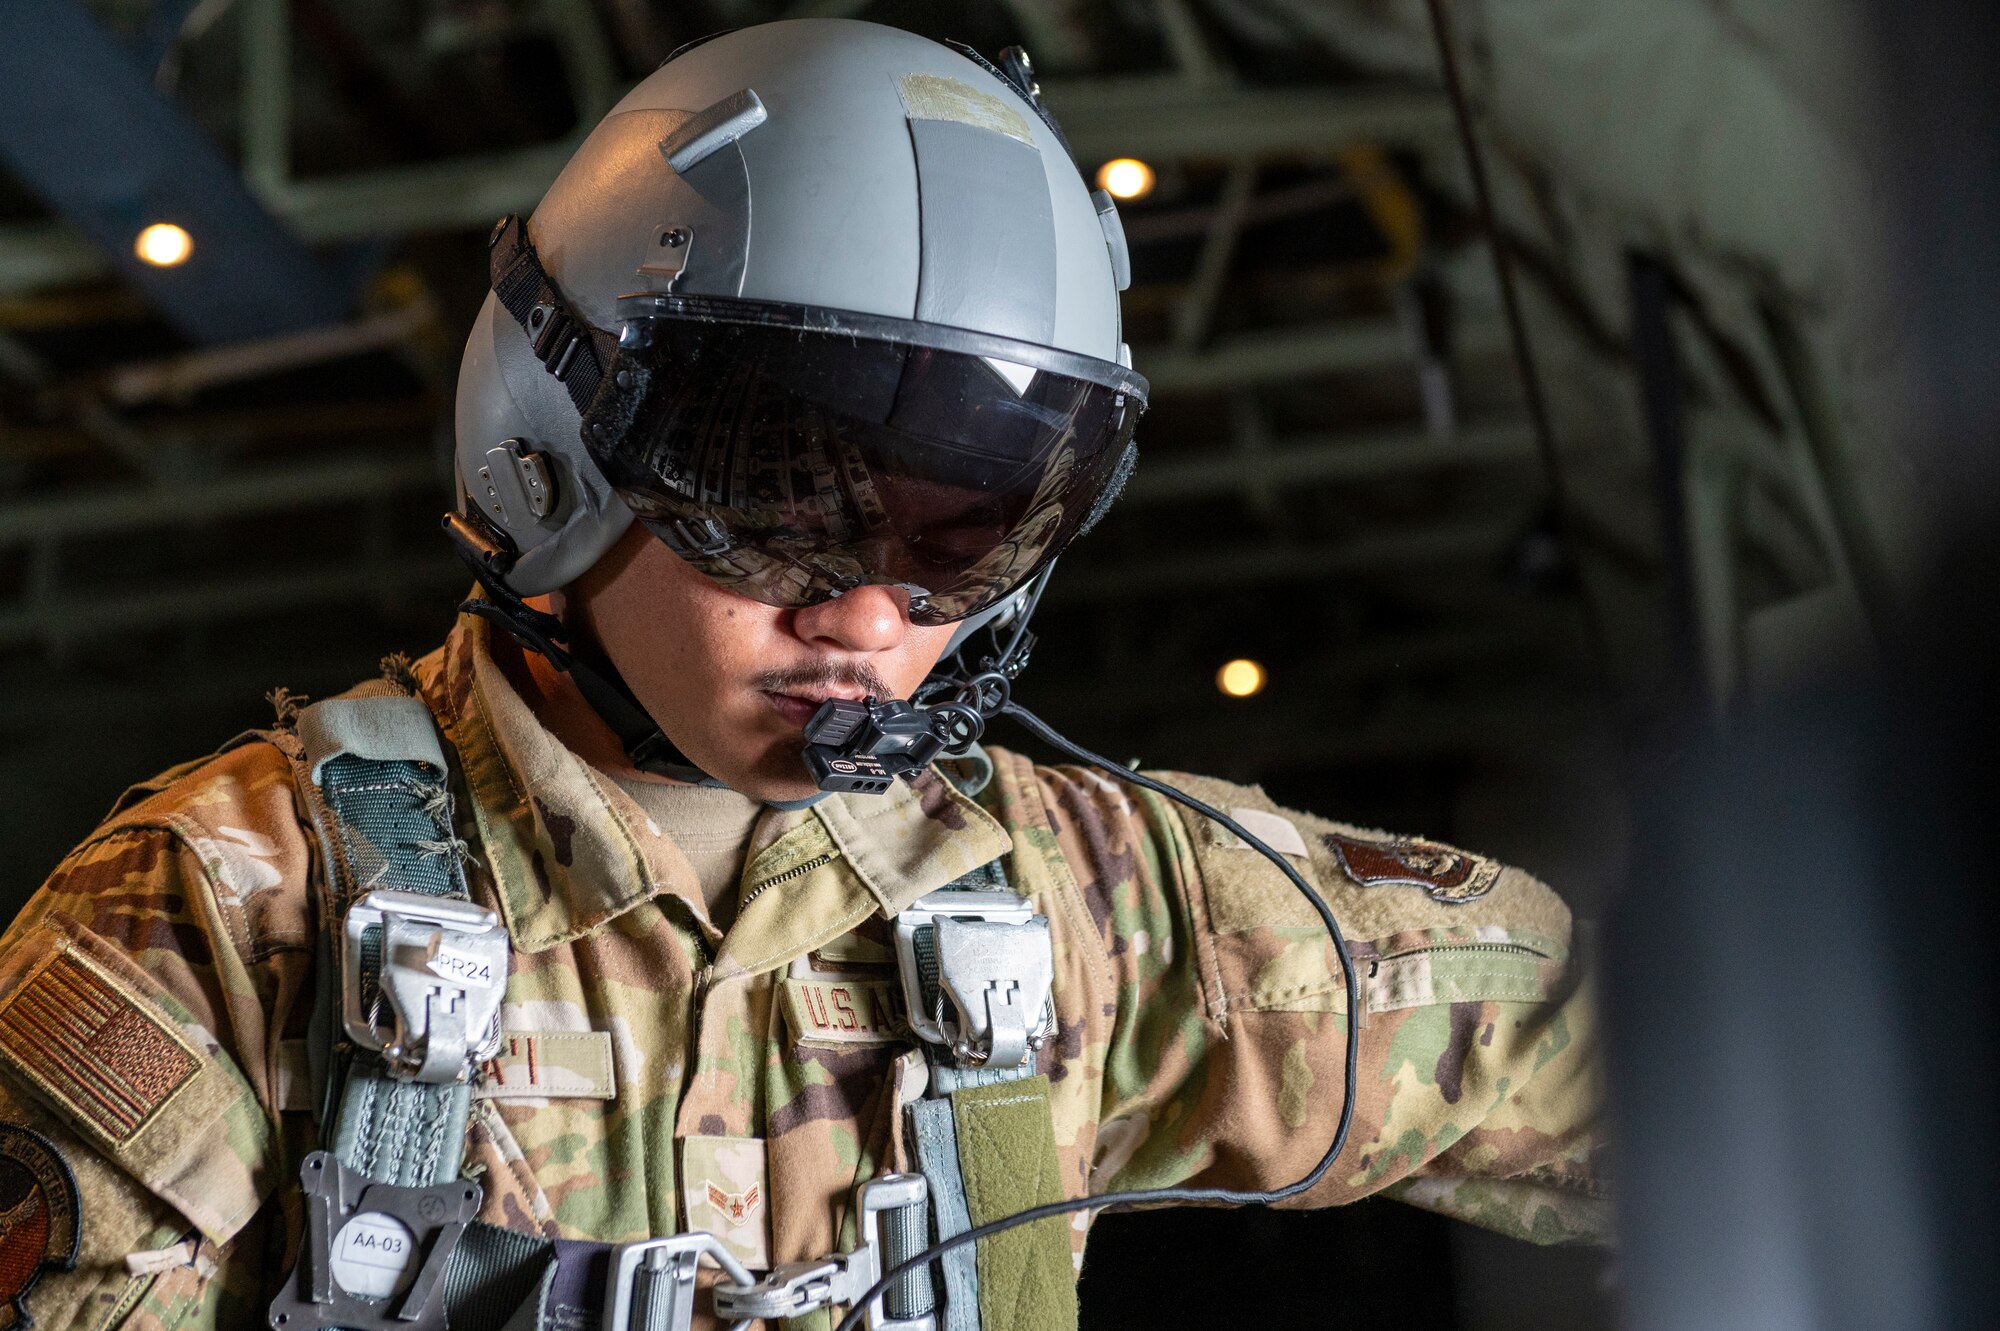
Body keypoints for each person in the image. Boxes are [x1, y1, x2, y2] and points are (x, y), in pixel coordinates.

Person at [0, 20, 1603, 1331]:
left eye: (960, 546)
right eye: (784, 512)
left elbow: (1642, 1041)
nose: (874, 623)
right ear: (552, 453)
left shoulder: (1101, 907)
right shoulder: (219, 928)